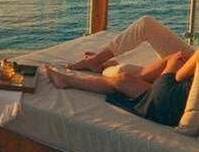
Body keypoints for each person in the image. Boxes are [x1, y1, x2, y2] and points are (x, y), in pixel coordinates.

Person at [44, 16, 197, 126]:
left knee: (123, 72)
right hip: (184, 82)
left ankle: (101, 67)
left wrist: (180, 63)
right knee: (146, 25)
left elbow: (179, 76)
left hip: (181, 85)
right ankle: (98, 62)